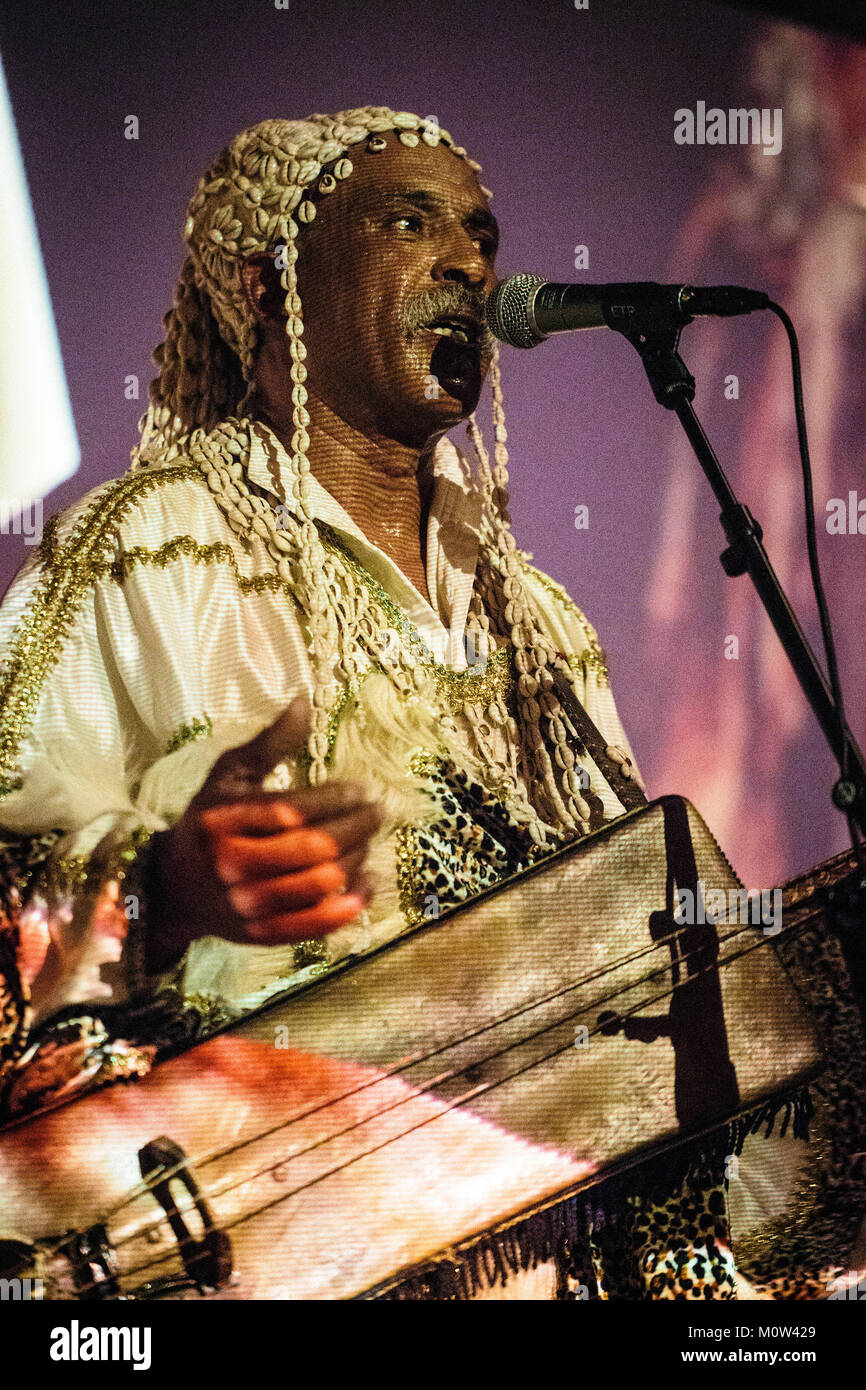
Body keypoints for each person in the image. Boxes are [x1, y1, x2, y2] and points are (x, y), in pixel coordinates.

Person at [0, 106, 755, 1299]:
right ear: (265, 286)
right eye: (406, 221)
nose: (467, 261)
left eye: (480, 234)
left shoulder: (540, 619)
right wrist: (163, 890)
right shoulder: (147, 552)